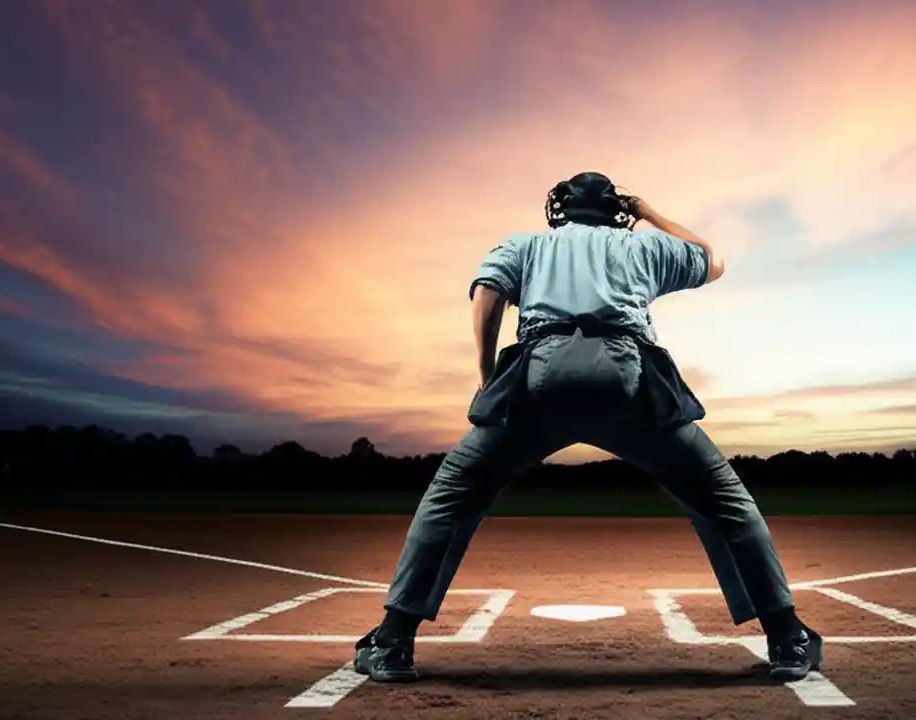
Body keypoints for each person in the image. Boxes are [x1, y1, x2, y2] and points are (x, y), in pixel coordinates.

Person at [353, 171, 823, 683]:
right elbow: (714, 261)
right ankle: (787, 636)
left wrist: (489, 378)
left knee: (453, 492)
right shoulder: (641, 246)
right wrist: (648, 212)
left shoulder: (528, 244)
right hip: (627, 379)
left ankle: (395, 640)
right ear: (614, 209)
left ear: (563, 207)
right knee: (722, 497)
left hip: (540, 376)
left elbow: (487, 293)